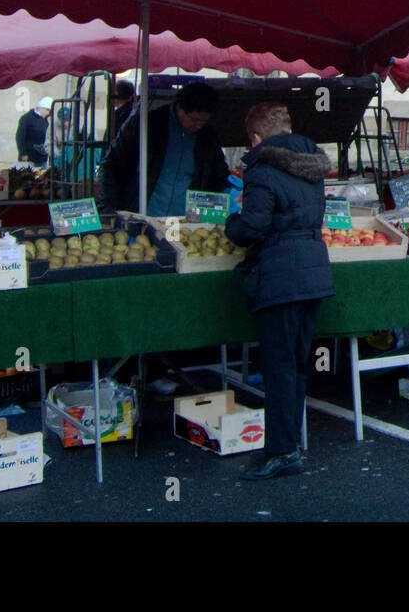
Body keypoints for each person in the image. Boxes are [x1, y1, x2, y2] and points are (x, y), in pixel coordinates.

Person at [226, 102, 334, 480]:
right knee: (296, 364)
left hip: (280, 276)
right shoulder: (311, 164)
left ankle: (282, 451)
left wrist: (230, 224)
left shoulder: (261, 168)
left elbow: (253, 228)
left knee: (278, 368)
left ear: (256, 138)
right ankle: (290, 444)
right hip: (313, 272)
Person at [97, 82, 228, 215]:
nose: (199, 125)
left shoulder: (208, 137)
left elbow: (218, 174)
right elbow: (111, 164)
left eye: (204, 121)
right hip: (142, 215)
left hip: (186, 222)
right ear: (179, 108)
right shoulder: (145, 125)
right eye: (194, 119)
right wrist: (108, 207)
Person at [15, 97, 52, 166]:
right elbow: (20, 137)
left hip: (42, 158)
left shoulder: (45, 120)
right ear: (40, 108)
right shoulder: (26, 118)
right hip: (28, 158)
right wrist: (23, 153)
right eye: (47, 110)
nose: (48, 113)